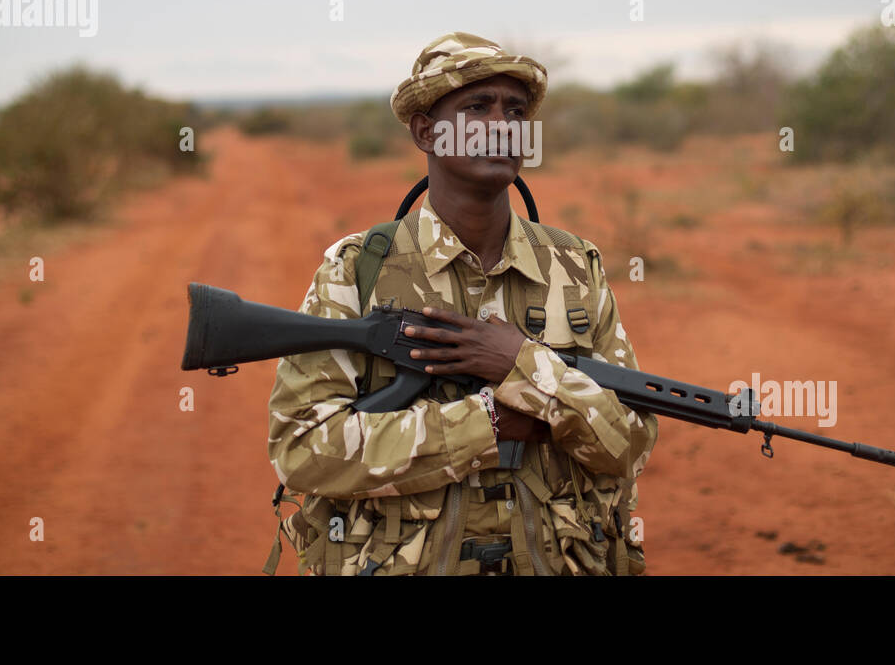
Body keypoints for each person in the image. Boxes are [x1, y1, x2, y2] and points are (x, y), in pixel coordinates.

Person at [265, 32, 657, 575]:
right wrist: (489, 425)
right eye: (477, 107)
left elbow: (630, 442)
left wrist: (522, 365)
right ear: (426, 131)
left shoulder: (573, 266)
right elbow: (303, 449)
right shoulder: (357, 268)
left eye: (515, 111)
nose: (501, 126)